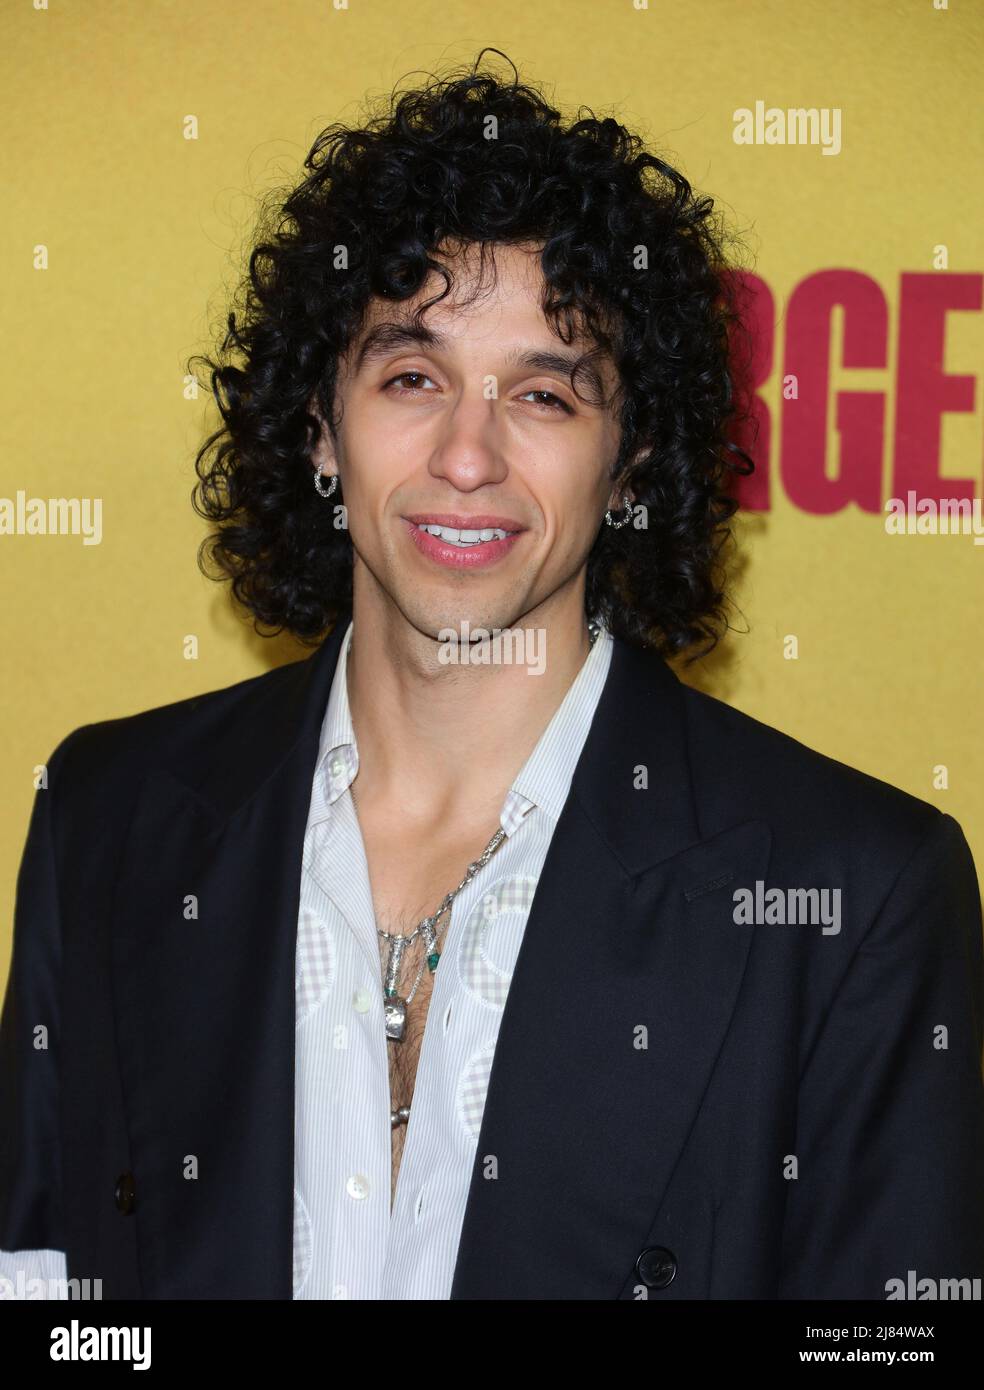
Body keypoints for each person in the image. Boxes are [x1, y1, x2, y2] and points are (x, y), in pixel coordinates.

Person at [1, 53, 982, 1302]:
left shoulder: (851, 892)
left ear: (630, 463)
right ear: (320, 426)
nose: (467, 454)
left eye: (545, 393)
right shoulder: (110, 816)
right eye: (412, 376)